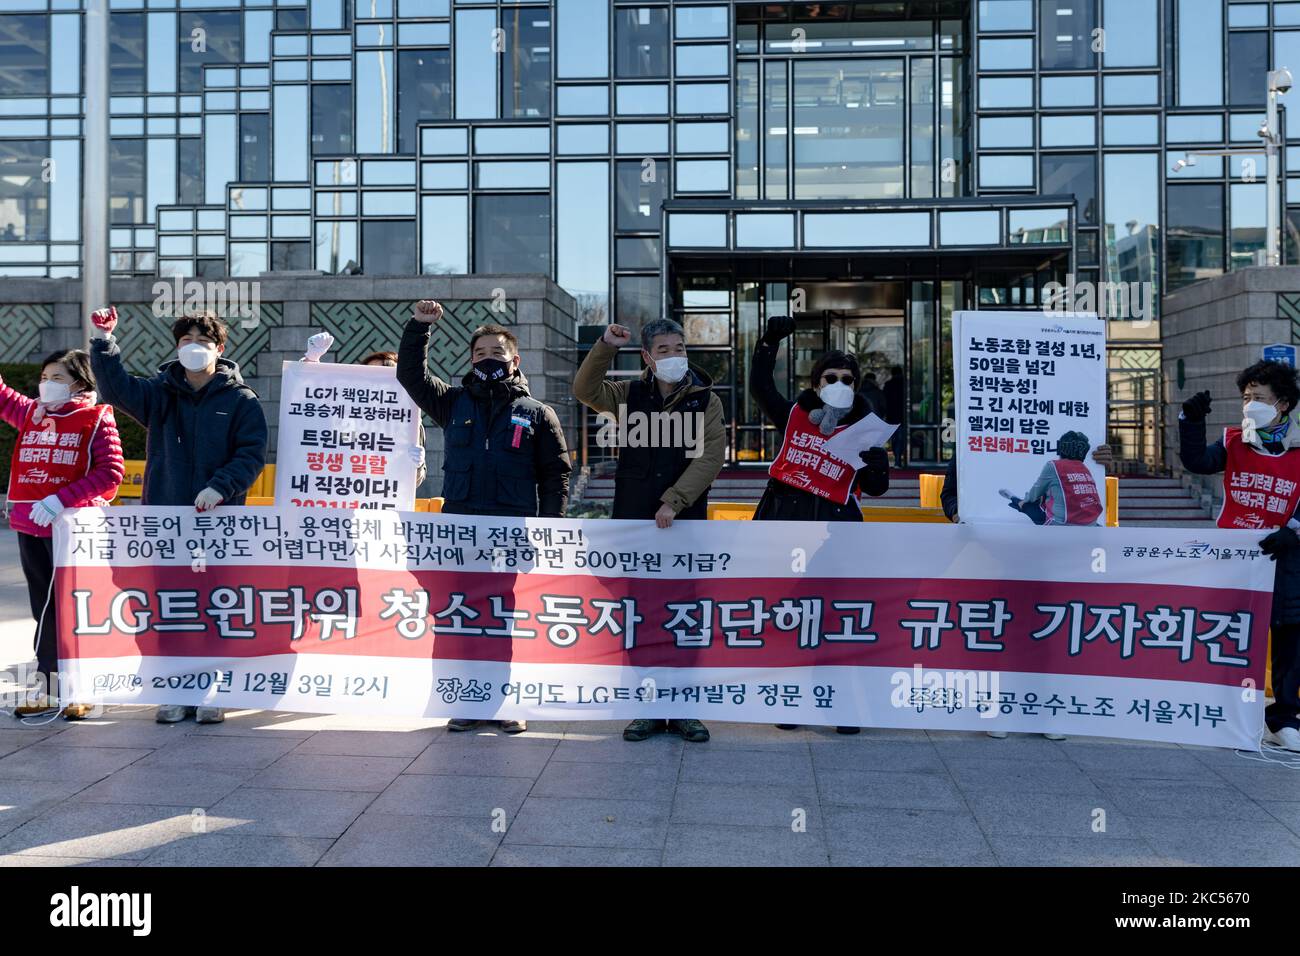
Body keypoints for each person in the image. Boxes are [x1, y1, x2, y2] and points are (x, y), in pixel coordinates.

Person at [397, 298, 571, 735]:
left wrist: (547, 529)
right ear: (470, 360)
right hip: (459, 528)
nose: (488, 359)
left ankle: (503, 702)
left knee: (499, 617)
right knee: (456, 617)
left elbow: (556, 476)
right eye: (480, 353)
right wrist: (420, 328)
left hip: (510, 532)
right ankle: (462, 701)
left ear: (515, 360)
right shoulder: (453, 404)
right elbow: (410, 376)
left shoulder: (536, 414)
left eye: (497, 353)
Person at [89, 306, 269, 725]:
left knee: (213, 607)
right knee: (170, 607)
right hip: (166, 523)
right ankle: (172, 689)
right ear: (176, 347)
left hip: (217, 524)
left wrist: (220, 487)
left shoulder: (240, 400)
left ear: (220, 349)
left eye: (203, 342)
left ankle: (211, 690)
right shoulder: (160, 394)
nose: (194, 348)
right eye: (186, 341)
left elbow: (252, 454)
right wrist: (104, 342)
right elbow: (116, 390)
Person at [573, 318, 725, 744]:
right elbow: (585, 390)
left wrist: (674, 500)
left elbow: (712, 456)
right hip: (636, 522)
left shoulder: (706, 400)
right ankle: (647, 707)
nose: (675, 356)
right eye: (664, 350)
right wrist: (604, 345)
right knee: (641, 615)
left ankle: (684, 710)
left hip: (684, 524)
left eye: (680, 348)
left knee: (683, 614)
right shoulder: (627, 395)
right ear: (646, 357)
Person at [750, 314, 890, 734]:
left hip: (838, 538)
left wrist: (877, 459)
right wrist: (769, 342)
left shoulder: (866, 430)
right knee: (792, 621)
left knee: (834, 624)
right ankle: (791, 702)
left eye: (848, 379)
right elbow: (760, 387)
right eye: (831, 377)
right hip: (788, 533)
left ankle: (840, 705)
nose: (840, 384)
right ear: (816, 383)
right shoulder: (794, 414)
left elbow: (877, 487)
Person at [941, 444, 1113, 741]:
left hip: (1057, 554)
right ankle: (1001, 706)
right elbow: (950, 495)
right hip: (1000, 554)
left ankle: (1048, 709)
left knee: (1054, 631)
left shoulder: (1070, 449)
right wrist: (961, 516)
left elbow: (1089, 501)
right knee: (1005, 632)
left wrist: (1102, 467)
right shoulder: (974, 439)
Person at [1180, 360, 1300, 752]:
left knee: (1287, 635)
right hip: (1236, 556)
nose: (1250, 405)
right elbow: (1198, 462)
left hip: (1285, 556)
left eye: (1259, 398)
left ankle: (1282, 719)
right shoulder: (1235, 441)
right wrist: (1191, 421)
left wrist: (1292, 530)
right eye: (1246, 397)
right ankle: (1223, 711)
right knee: (1230, 632)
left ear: (1282, 404)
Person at [3, 351, 124, 719]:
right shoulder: (32, 414)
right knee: (45, 610)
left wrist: (61, 500)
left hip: (71, 530)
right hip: (30, 526)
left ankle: (80, 689)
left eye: (57, 377)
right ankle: (49, 686)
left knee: (74, 611)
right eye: (44, 376)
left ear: (79, 382)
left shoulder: (96, 417)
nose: (46, 384)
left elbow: (110, 472)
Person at [300, 333, 427, 490]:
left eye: (382, 378)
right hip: (335, 495)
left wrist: (417, 466)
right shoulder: (342, 412)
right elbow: (307, 410)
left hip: (382, 501)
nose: (372, 384)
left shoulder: (409, 421)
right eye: (368, 376)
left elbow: (414, 482)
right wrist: (310, 362)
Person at [1001, 431, 1104, 526]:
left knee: (1029, 505)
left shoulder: (1053, 466)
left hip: (1062, 524)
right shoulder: (1084, 468)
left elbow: (1035, 492)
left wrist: (1024, 501)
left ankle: (1015, 500)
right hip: (1091, 522)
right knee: (1051, 490)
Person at [883, 365, 906, 465]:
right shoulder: (905, 384)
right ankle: (899, 459)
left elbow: (884, 400)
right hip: (903, 415)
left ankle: (897, 458)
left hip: (891, 415)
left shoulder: (888, 384)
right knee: (901, 438)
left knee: (895, 438)